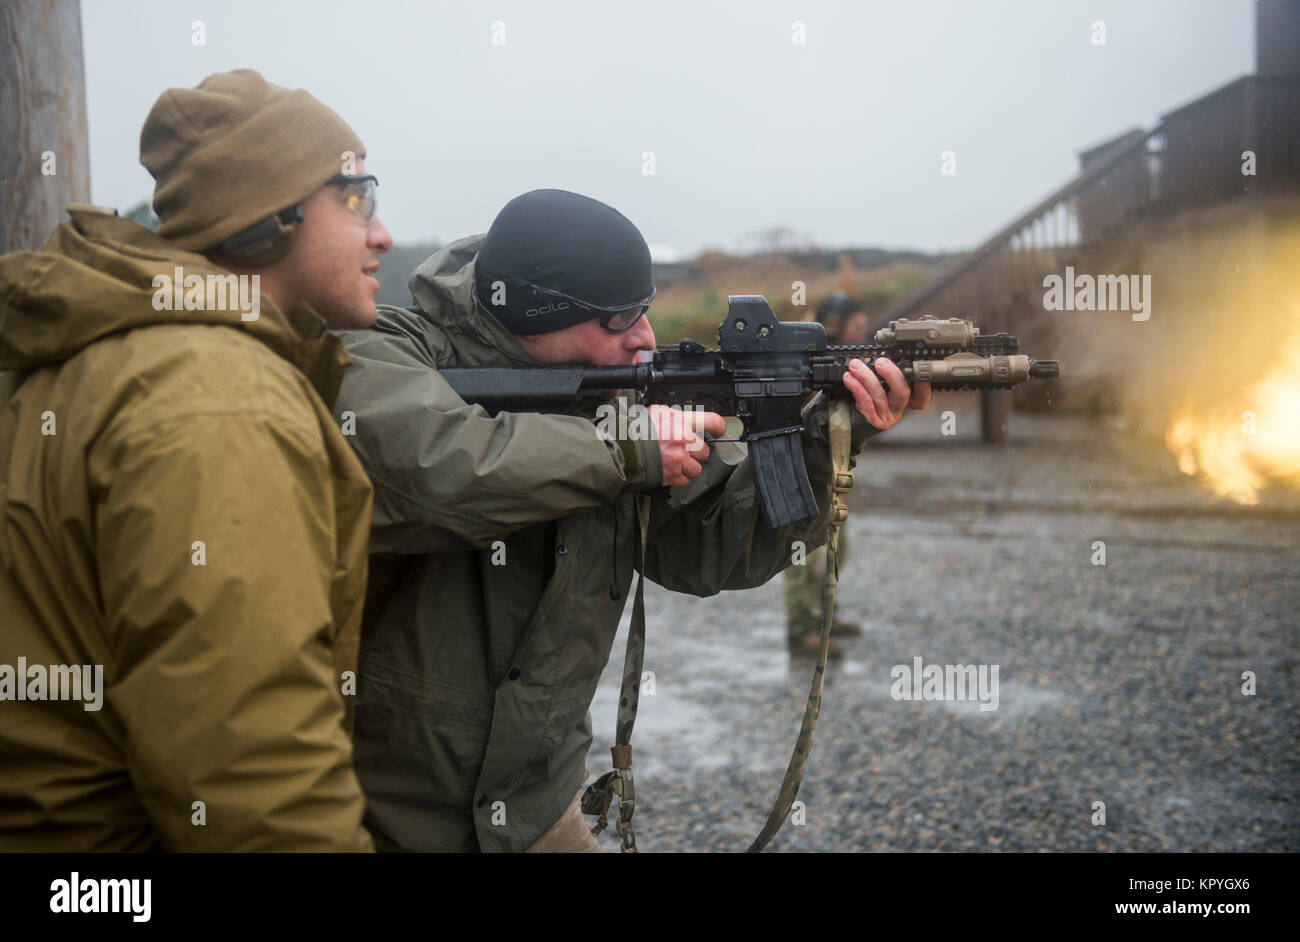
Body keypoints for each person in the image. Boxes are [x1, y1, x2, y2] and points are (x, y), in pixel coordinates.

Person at [336, 188, 930, 852]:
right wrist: (625, 449)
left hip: (534, 807)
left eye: (645, 312)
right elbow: (429, 468)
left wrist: (824, 437)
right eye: (622, 320)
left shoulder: (618, 392)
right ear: (539, 315)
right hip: (376, 811)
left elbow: (711, 549)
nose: (645, 338)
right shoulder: (382, 349)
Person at [0, 69, 392, 851]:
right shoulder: (220, 402)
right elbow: (255, 779)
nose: (380, 232)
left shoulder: (120, 360)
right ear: (268, 221)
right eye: (356, 198)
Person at [784, 290, 869, 658]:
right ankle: (802, 631)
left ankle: (824, 617)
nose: (863, 332)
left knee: (837, 548)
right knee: (805, 558)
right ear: (835, 327)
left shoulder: (843, 362)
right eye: (857, 326)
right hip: (799, 474)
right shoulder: (802, 363)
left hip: (827, 476)